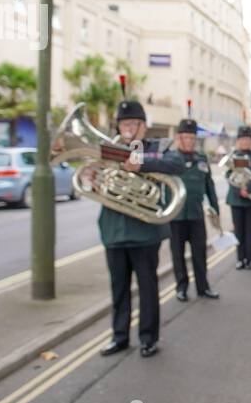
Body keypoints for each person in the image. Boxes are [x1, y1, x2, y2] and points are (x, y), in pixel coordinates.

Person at [92, 86, 185, 358]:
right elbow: (99, 186)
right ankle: (119, 336)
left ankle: (148, 338)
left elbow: (176, 163)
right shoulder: (107, 151)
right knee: (118, 289)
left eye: (134, 123)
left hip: (145, 232)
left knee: (147, 288)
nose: (129, 128)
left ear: (144, 126)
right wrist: (92, 177)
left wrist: (141, 163)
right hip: (114, 231)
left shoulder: (157, 148)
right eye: (124, 123)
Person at [163, 108, 221, 303]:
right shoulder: (169, 159)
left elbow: (209, 186)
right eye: (185, 137)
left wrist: (216, 210)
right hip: (176, 217)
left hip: (196, 215)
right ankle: (181, 288)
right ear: (178, 138)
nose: (188, 141)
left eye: (191, 138)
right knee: (178, 256)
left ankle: (203, 287)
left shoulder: (201, 159)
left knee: (200, 254)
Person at [226, 125, 251, 270]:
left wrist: (248, 188)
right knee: (238, 231)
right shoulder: (233, 156)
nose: (245, 142)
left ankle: (249, 259)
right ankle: (240, 259)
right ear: (238, 140)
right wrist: (239, 190)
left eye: (247, 139)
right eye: (242, 139)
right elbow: (229, 176)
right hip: (236, 200)